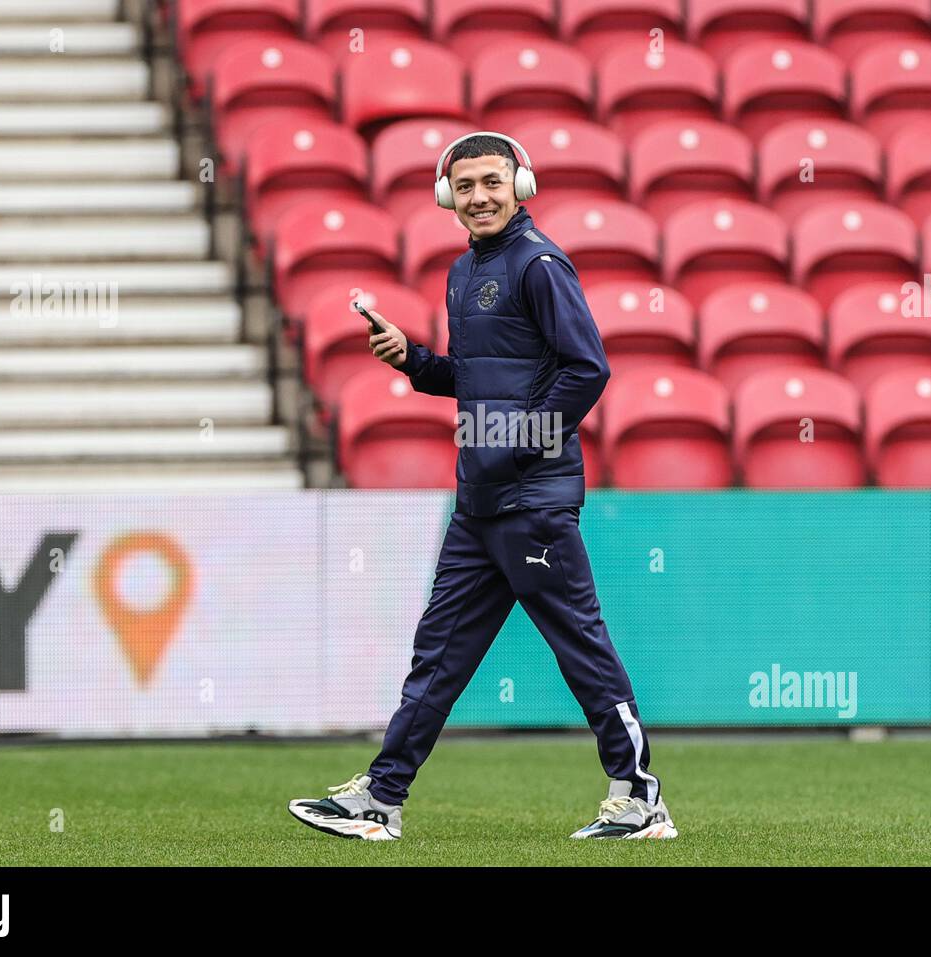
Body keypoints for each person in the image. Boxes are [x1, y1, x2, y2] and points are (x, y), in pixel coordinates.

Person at [288, 132, 675, 841]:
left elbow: (586, 369)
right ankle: (381, 796)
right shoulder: (465, 271)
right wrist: (415, 361)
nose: (478, 197)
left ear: (520, 183)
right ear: (447, 197)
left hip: (531, 503)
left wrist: (515, 447)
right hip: (481, 504)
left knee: (580, 649)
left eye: (491, 182)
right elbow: (477, 378)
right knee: (439, 654)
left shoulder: (539, 263)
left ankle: (640, 796)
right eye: (464, 187)